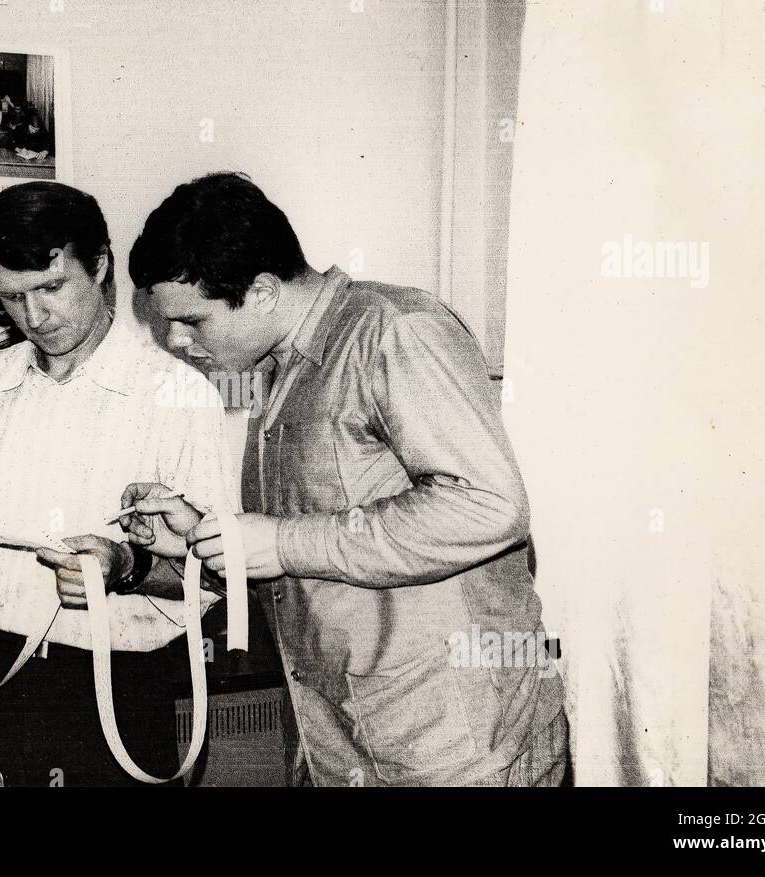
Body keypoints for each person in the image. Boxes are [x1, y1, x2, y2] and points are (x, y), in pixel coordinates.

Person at [124, 172, 568, 787]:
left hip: (451, 750)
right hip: (342, 744)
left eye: (191, 322)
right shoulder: (279, 372)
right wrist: (197, 546)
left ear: (262, 292)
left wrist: (279, 542)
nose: (175, 342)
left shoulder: (394, 330)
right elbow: (308, 557)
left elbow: (490, 506)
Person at [0, 182, 238, 786]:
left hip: (116, 685)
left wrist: (124, 566)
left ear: (99, 266)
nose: (35, 317)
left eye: (51, 288)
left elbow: (216, 575)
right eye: (12, 298)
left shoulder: (177, 395)